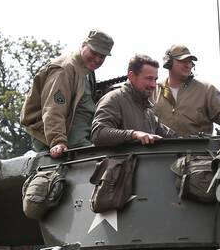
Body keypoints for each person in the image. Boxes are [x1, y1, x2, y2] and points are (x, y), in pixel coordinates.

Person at [21, 29, 114, 157]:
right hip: (55, 135)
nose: (97, 59)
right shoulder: (64, 70)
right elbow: (53, 109)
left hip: (79, 132)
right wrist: (57, 141)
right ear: (83, 45)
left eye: (102, 56)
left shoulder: (86, 70)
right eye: (94, 52)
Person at [152, 44, 220, 135]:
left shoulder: (206, 90)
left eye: (189, 62)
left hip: (198, 149)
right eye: (182, 61)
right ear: (169, 63)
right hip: (159, 149)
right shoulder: (153, 90)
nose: (188, 65)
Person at [91, 54, 175, 147]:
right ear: (131, 76)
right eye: (149, 78)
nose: (153, 85)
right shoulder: (114, 100)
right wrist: (134, 135)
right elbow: (98, 134)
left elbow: (170, 136)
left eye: (155, 79)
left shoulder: (148, 112)